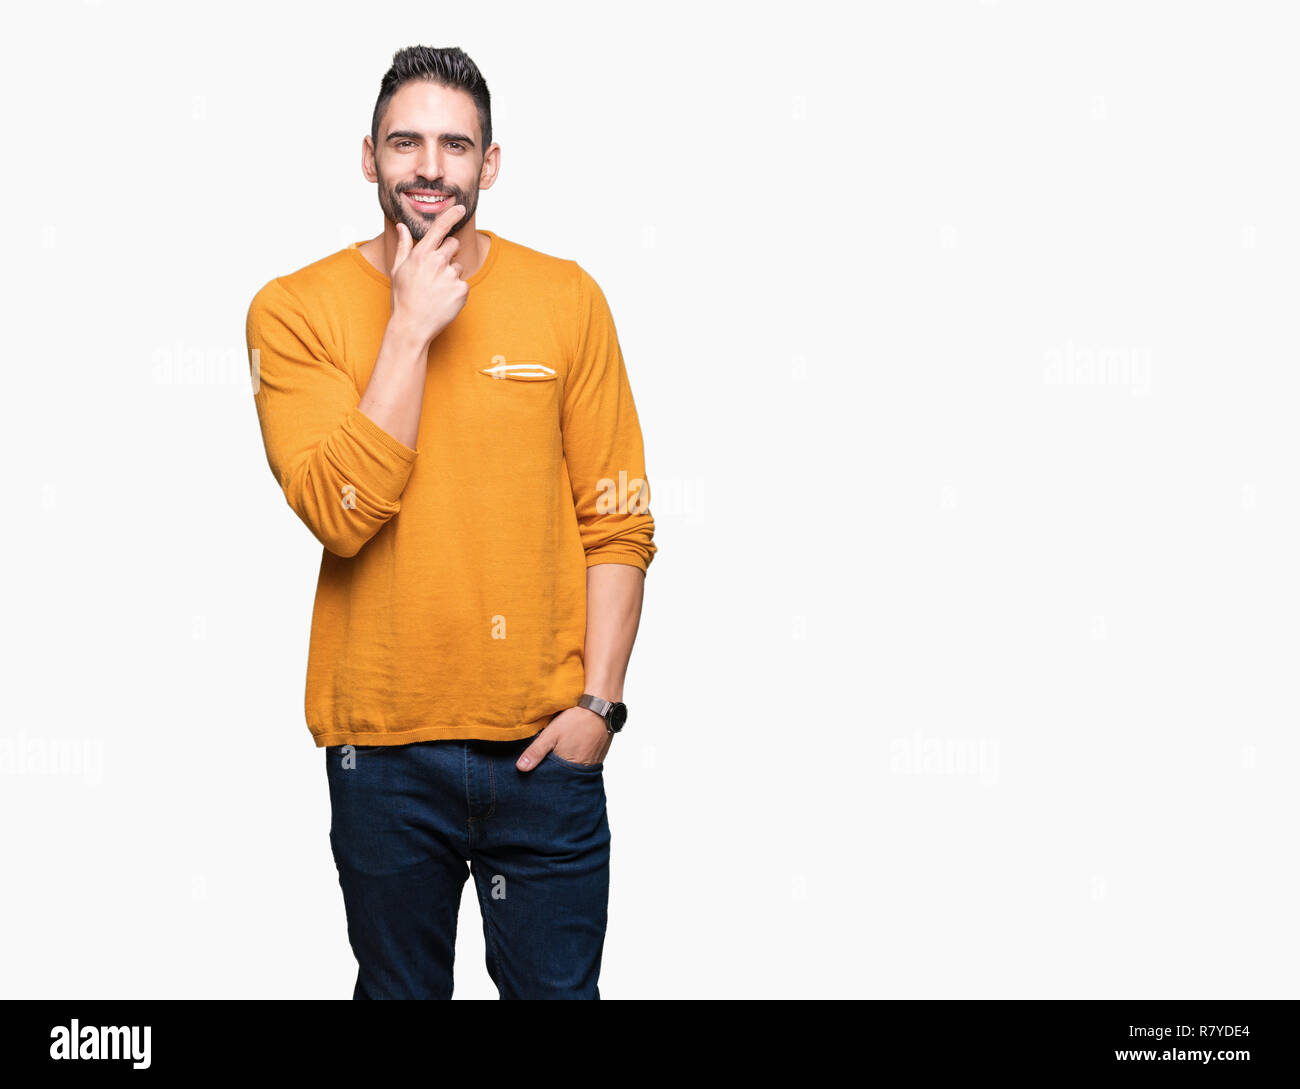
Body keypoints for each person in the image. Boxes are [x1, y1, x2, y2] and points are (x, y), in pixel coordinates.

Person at [244, 44, 657, 999]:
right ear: (368, 158)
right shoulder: (293, 311)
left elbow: (618, 520)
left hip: (544, 750)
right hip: (381, 752)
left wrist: (598, 706)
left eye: (454, 145)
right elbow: (342, 514)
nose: (430, 166)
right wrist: (408, 326)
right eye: (407, 142)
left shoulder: (566, 297)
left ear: (490, 164)